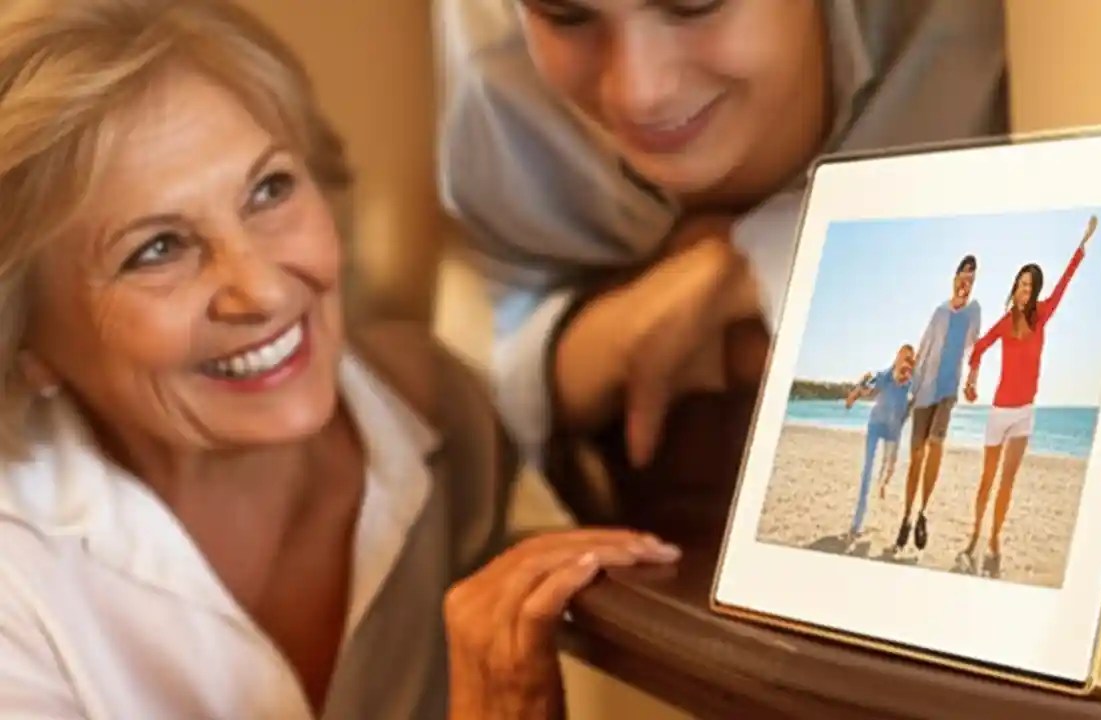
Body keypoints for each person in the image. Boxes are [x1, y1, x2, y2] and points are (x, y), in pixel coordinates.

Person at [0, 2, 679, 718]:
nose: (260, 288)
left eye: (269, 190)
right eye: (157, 249)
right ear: (26, 344)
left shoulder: (437, 407)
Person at [434, 0, 1011, 519]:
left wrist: (755, 266)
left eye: (693, 5)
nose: (640, 90)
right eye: (566, 15)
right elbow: (483, 373)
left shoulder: (988, 45)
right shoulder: (502, 99)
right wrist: (607, 339)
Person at [960, 215, 1098, 567]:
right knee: (987, 480)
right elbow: (978, 350)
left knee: (1007, 481)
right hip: (999, 411)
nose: (1024, 290)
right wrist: (972, 380)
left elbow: (1066, 282)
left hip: (1024, 414)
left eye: (1030, 286)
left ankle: (994, 537)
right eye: (1021, 284)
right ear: (1015, 287)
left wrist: (1082, 244)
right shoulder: (1006, 323)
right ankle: (975, 531)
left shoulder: (1044, 315)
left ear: (1035, 291)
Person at [895, 255, 982, 553]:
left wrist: (972, 379)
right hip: (924, 391)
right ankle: (906, 516)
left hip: (947, 391)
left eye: (971, 278)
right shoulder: (939, 312)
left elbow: (977, 347)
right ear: (954, 277)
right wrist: (910, 392)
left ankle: (923, 514)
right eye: (963, 276)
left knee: (936, 444)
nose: (966, 282)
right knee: (916, 455)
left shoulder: (973, 311)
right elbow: (924, 347)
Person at [843, 344, 914, 541]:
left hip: (893, 432)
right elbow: (868, 387)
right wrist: (854, 395)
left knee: (889, 468)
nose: (906, 362)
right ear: (897, 358)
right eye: (904, 357)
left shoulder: (912, 383)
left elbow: (916, 402)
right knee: (867, 472)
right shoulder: (885, 375)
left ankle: (883, 484)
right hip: (876, 425)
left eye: (910, 359)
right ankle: (857, 524)